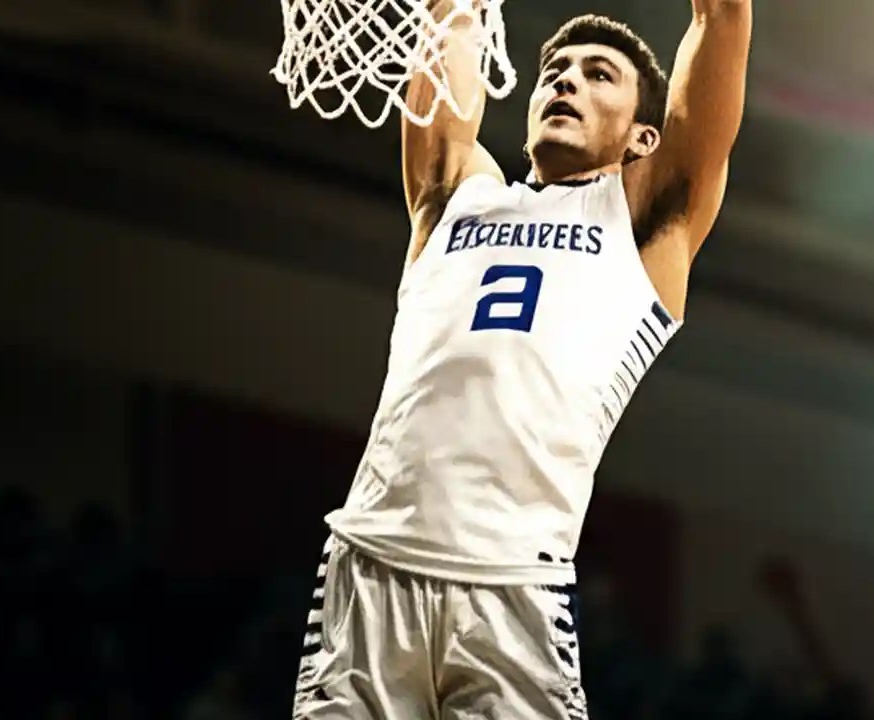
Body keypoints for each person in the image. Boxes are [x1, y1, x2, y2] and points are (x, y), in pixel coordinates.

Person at [294, 1, 752, 717]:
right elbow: (450, 35)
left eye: (597, 75)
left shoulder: (646, 220)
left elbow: (722, 19)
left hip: (510, 583)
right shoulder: (455, 197)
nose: (565, 82)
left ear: (642, 138)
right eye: (553, 72)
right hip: (372, 565)